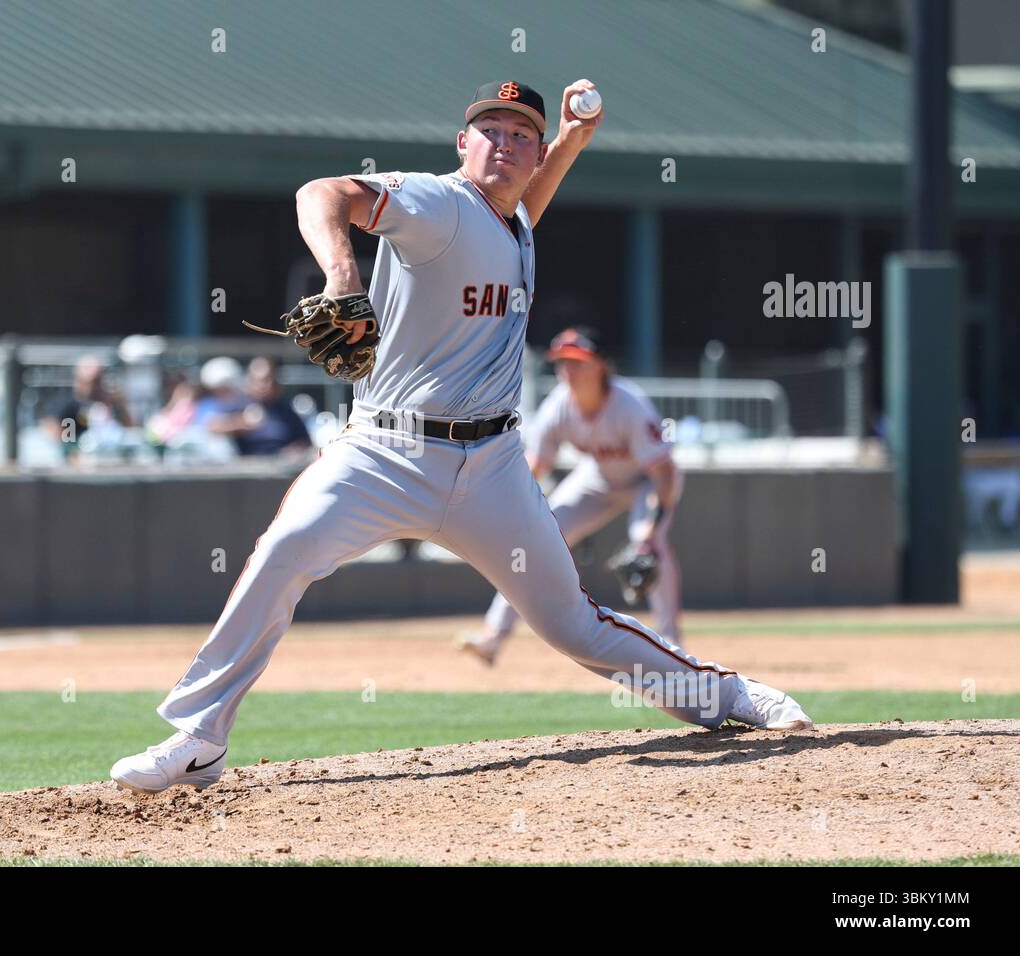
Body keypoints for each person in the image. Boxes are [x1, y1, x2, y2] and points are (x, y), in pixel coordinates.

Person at [112, 79, 812, 795]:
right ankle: (198, 736)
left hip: (492, 467)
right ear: (461, 142)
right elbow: (319, 192)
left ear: (533, 153)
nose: (503, 145)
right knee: (282, 554)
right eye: (490, 130)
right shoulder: (436, 203)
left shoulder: (513, 223)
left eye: (519, 136)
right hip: (384, 453)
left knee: (572, 623)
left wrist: (571, 141)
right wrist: (343, 271)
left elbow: (520, 210)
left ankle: (725, 698)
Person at [460, 328, 685, 665]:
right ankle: (493, 637)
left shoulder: (628, 404)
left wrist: (651, 531)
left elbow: (663, 474)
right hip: (597, 477)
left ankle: (670, 642)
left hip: (647, 480)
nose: (567, 370)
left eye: (577, 362)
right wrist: (512, 512)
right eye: (562, 363)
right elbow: (535, 467)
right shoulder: (558, 406)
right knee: (536, 541)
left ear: (600, 365)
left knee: (648, 546)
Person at [208, 356, 312, 457]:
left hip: (281, 467)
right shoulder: (239, 404)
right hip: (245, 468)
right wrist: (241, 423)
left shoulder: (286, 410)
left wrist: (294, 451)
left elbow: (305, 441)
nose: (265, 385)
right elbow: (212, 427)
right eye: (260, 380)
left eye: (268, 379)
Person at [41, 354, 130, 453]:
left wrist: (120, 404)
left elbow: (128, 426)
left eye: (96, 381)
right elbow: (50, 426)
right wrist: (71, 451)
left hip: (108, 455)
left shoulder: (109, 401)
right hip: (76, 457)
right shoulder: (66, 401)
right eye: (88, 382)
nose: (92, 386)